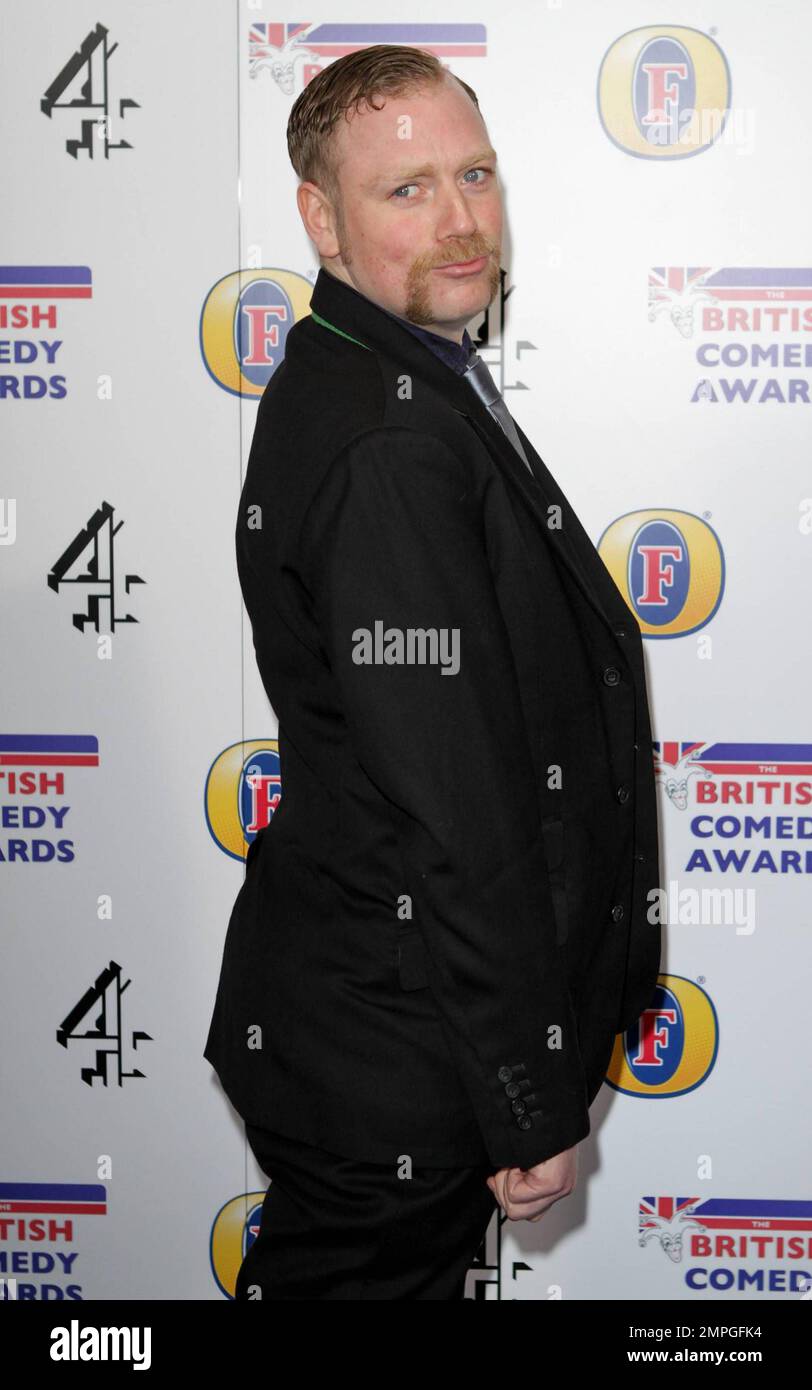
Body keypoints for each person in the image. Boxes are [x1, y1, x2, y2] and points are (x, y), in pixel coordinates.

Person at [204, 43, 661, 1300]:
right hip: (396, 1057)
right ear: (321, 220)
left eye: (475, 175)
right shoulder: (388, 443)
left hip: (384, 1030)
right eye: (405, 190)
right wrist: (524, 1095)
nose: (460, 220)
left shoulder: (396, 377)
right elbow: (456, 812)